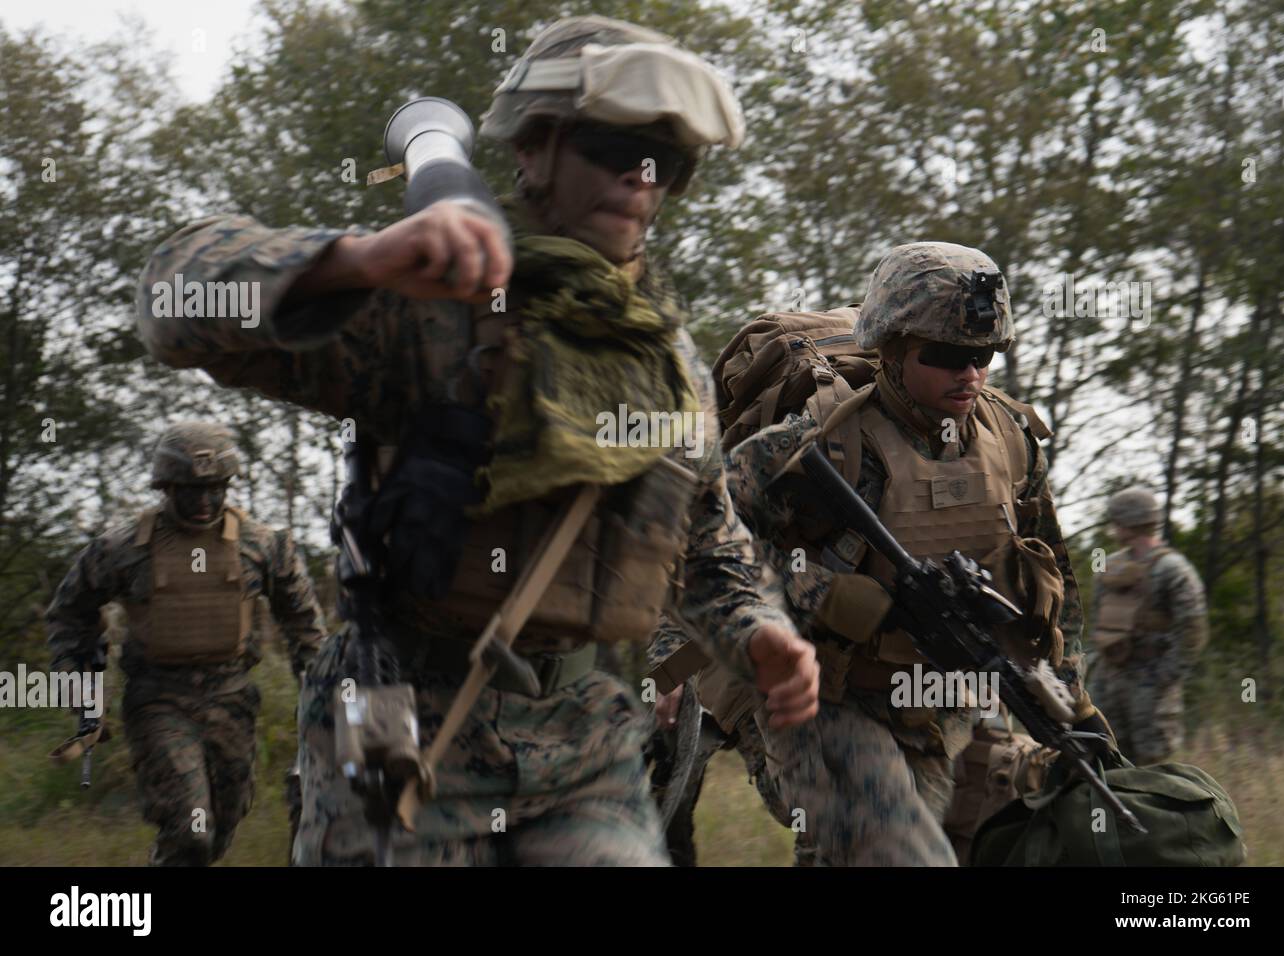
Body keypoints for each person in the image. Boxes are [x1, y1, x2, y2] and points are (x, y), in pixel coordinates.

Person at [135, 15, 818, 866]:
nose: (642, 180)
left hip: (586, 740)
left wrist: (761, 633)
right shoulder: (431, 301)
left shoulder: (666, 360)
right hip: (397, 718)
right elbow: (174, 302)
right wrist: (354, 262)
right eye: (614, 148)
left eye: (668, 163)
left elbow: (708, 549)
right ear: (533, 149)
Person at [717, 241, 1114, 865]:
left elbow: (1053, 579)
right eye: (948, 356)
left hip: (940, 713)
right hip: (823, 706)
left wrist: (1071, 700)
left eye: (981, 356)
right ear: (893, 351)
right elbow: (700, 537)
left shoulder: (1010, 442)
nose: (970, 374)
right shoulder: (821, 443)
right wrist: (822, 593)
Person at [46, 422, 327, 865]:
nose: (203, 502)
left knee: (217, 828)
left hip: (232, 700)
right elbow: (69, 612)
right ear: (166, 487)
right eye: (190, 490)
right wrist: (79, 683)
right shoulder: (123, 547)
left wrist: (320, 691)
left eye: (214, 489)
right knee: (191, 828)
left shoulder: (262, 545)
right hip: (160, 702)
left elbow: (303, 620)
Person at [1087, 487, 1209, 765]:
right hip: (1109, 678)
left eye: (1116, 520)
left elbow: (1192, 629)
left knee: (1151, 769)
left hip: (1149, 685)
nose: (1113, 526)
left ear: (1129, 522)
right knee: (1104, 759)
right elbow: (1099, 620)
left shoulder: (1172, 568)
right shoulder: (1110, 566)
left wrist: (1164, 676)